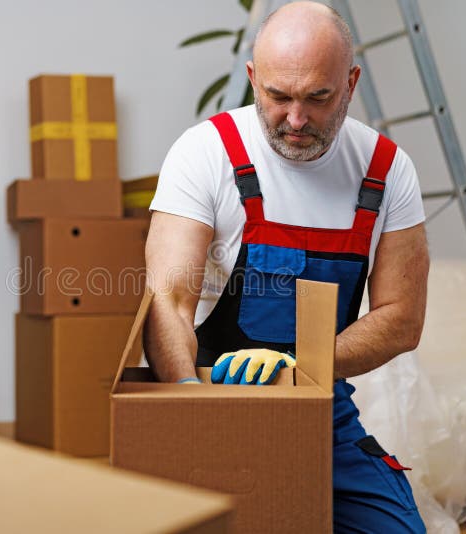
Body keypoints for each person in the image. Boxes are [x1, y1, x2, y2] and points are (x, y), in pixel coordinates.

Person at [143, 1, 429, 532]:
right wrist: (187, 403)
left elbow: (402, 317)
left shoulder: (386, 170)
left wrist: (299, 368)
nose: (295, 120)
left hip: (321, 410)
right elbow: (169, 302)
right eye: (277, 96)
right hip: (213, 404)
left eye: (318, 97)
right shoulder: (205, 154)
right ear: (253, 78)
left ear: (350, 82)